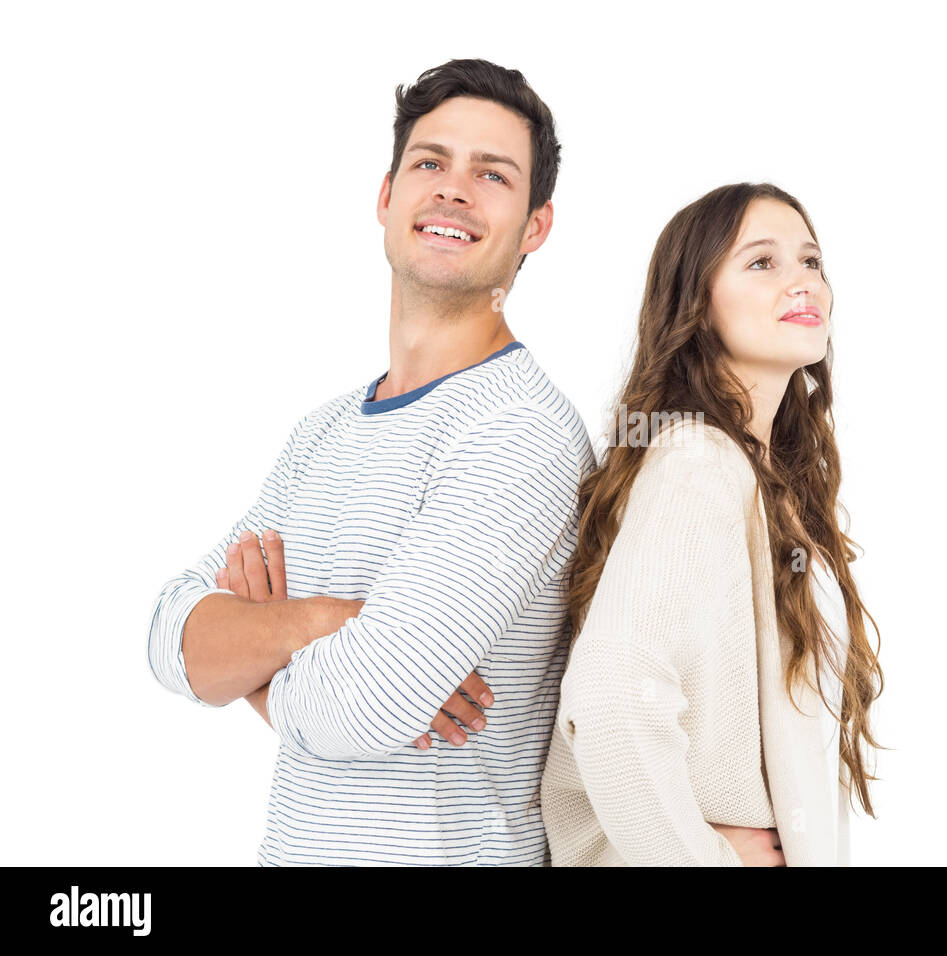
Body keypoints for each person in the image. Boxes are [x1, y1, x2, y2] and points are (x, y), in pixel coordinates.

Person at [147, 58, 595, 866]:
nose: (453, 191)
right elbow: (169, 639)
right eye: (430, 162)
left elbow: (361, 708)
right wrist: (336, 622)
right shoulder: (322, 433)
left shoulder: (519, 431)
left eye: (492, 174)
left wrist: (253, 649)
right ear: (386, 197)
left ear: (535, 226)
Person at [540, 182, 884, 866]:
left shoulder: (761, 476)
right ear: (696, 306)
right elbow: (612, 698)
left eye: (811, 261)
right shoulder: (698, 464)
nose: (802, 281)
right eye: (762, 262)